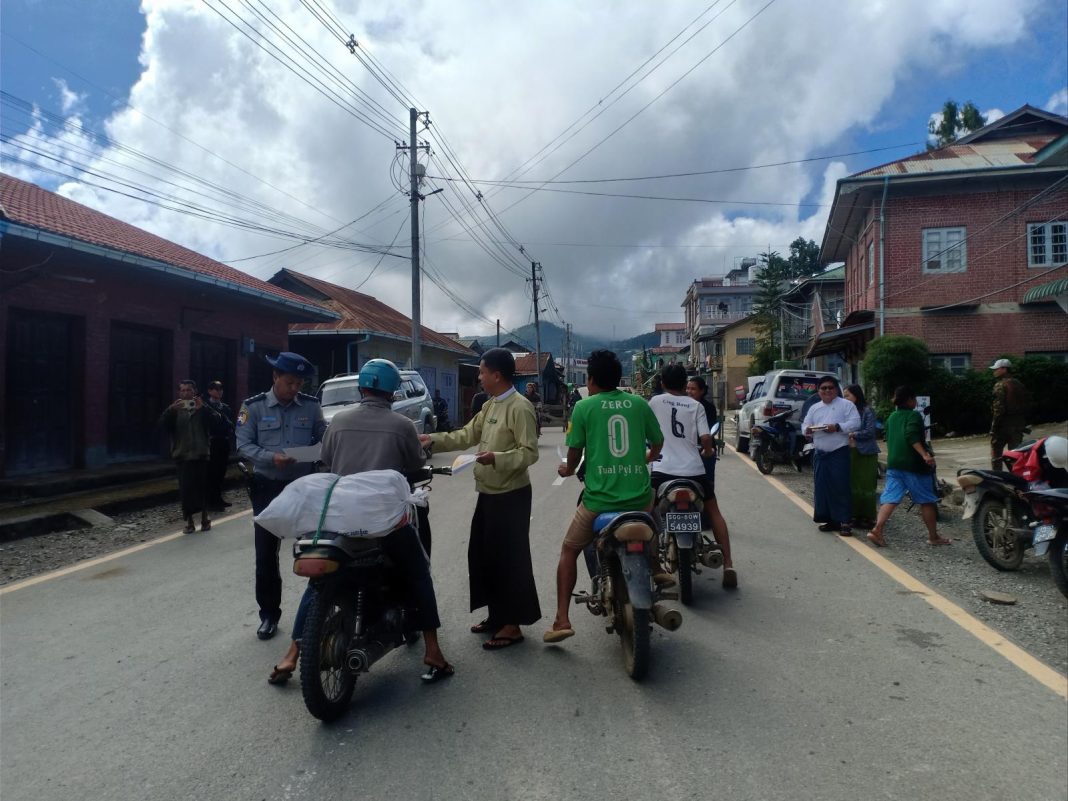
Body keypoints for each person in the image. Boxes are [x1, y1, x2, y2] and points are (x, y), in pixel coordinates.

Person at [268, 359, 452, 685]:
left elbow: (326, 462)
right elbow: (416, 464)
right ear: (392, 391)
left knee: (317, 584)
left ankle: (291, 656)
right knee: (418, 571)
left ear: (362, 387)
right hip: (383, 522)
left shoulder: (338, 422)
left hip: (338, 518)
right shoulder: (402, 425)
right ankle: (433, 651)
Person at [422, 348, 541, 650]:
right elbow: (465, 435)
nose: (479, 377)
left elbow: (529, 453)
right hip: (488, 493)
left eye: (482, 372)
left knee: (510, 560)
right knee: (484, 556)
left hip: (511, 495)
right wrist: (431, 440)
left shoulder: (520, 406)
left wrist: (496, 458)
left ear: (497, 375)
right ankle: (497, 615)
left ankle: (512, 625)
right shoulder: (489, 406)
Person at [545, 349, 666, 643]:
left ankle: (562, 619)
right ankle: (656, 565)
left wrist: (567, 469)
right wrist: (645, 459)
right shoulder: (639, 403)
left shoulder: (584, 408)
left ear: (591, 379)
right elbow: (659, 443)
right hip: (639, 498)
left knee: (568, 550)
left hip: (599, 503)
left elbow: (574, 457)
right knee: (654, 512)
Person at [236, 352, 326, 641]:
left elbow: (323, 440)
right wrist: (269, 457)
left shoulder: (311, 407)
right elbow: (244, 444)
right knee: (265, 555)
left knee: (314, 550)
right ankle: (269, 615)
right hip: (267, 487)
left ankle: (318, 610)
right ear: (275, 377)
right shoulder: (254, 408)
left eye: (299, 383)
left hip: (303, 488)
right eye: (289, 382)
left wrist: (315, 452)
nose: (294, 388)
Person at [650, 364, 737, 588]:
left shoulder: (655, 402)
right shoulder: (695, 405)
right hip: (693, 471)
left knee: (646, 512)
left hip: (662, 471)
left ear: (662, 384)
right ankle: (728, 564)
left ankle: (653, 566)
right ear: (684, 384)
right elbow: (706, 439)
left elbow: (646, 434)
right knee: (713, 511)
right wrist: (706, 452)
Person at [867, 386, 951, 548]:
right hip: (914, 465)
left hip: (894, 464)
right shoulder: (914, 416)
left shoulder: (892, 417)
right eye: (914, 399)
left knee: (891, 498)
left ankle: (877, 529)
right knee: (927, 500)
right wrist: (925, 455)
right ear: (910, 400)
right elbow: (911, 436)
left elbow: (889, 437)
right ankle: (933, 537)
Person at [801, 375, 860, 536]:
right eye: (823, 388)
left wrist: (837, 427)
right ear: (818, 391)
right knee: (822, 487)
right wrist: (807, 430)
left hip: (838, 452)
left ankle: (845, 521)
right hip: (820, 453)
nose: (827, 390)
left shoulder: (846, 405)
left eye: (830, 387)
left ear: (836, 390)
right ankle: (830, 520)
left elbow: (856, 423)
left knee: (840, 486)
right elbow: (805, 423)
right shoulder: (814, 408)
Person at [159, 380, 220, 534]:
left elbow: (217, 422)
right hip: (183, 455)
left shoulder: (202, 407)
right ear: (179, 393)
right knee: (186, 491)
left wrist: (203, 408)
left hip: (200, 454)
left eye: (188, 390)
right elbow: (162, 425)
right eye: (183, 390)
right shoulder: (175, 410)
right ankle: (189, 522)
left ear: (194, 392)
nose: (185, 393)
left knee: (202, 488)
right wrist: (171, 409)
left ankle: (205, 518)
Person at [844, 384, 879, 529]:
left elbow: (870, 431)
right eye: (844, 396)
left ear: (856, 396)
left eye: (848, 396)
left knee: (867, 484)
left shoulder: (867, 410)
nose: (845, 399)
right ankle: (854, 515)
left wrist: (853, 434)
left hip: (866, 452)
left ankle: (868, 516)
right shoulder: (846, 411)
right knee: (853, 484)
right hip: (851, 451)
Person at [989, 358, 1028, 470]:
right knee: (1015, 454)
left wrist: (994, 426)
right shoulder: (1019, 384)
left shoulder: (1000, 385)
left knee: (996, 455)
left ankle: (998, 478)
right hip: (1018, 424)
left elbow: (999, 408)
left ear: (1004, 369)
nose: (994, 371)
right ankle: (1017, 477)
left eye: (997, 369)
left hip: (1003, 425)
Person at [204, 380, 234, 511]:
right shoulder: (205, 407)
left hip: (224, 442)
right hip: (212, 442)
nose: (219, 391)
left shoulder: (226, 408)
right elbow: (210, 425)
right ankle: (210, 500)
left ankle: (218, 498)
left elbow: (231, 425)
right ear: (210, 391)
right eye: (216, 389)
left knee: (221, 472)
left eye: (221, 389)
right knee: (211, 472)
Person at [686, 375, 719, 487]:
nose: (689, 391)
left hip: (705, 449)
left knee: (708, 485)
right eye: (688, 388)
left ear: (702, 391)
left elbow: (708, 432)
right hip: (687, 449)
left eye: (693, 389)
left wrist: (708, 449)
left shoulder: (709, 408)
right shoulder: (682, 406)